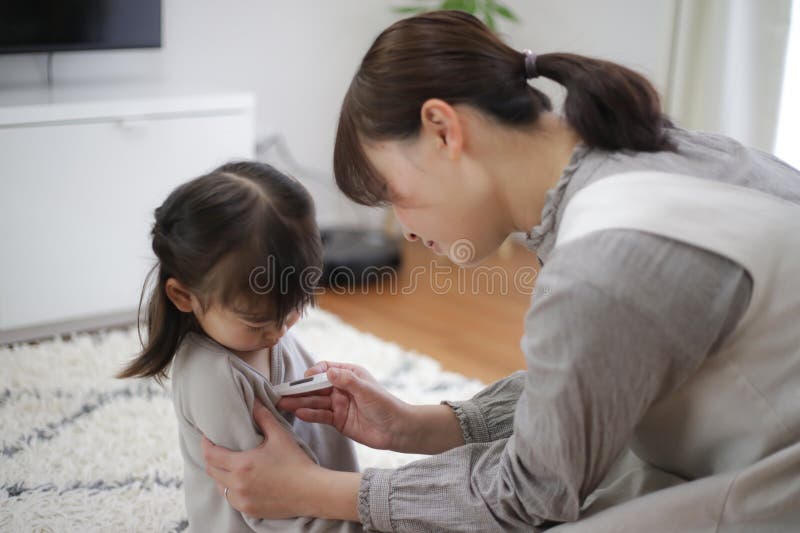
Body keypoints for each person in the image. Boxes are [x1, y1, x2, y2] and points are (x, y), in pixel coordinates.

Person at [201, 11, 800, 532]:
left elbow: (527, 495)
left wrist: (313, 491)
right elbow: (589, 381)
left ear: (443, 130)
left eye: (395, 193)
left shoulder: (603, 261)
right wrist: (417, 426)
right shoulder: (654, 155)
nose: (405, 229)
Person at [117, 162, 363, 532]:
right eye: (258, 322)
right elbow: (265, 498)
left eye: (295, 308)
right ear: (184, 296)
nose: (279, 332)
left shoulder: (264, 327)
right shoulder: (213, 379)